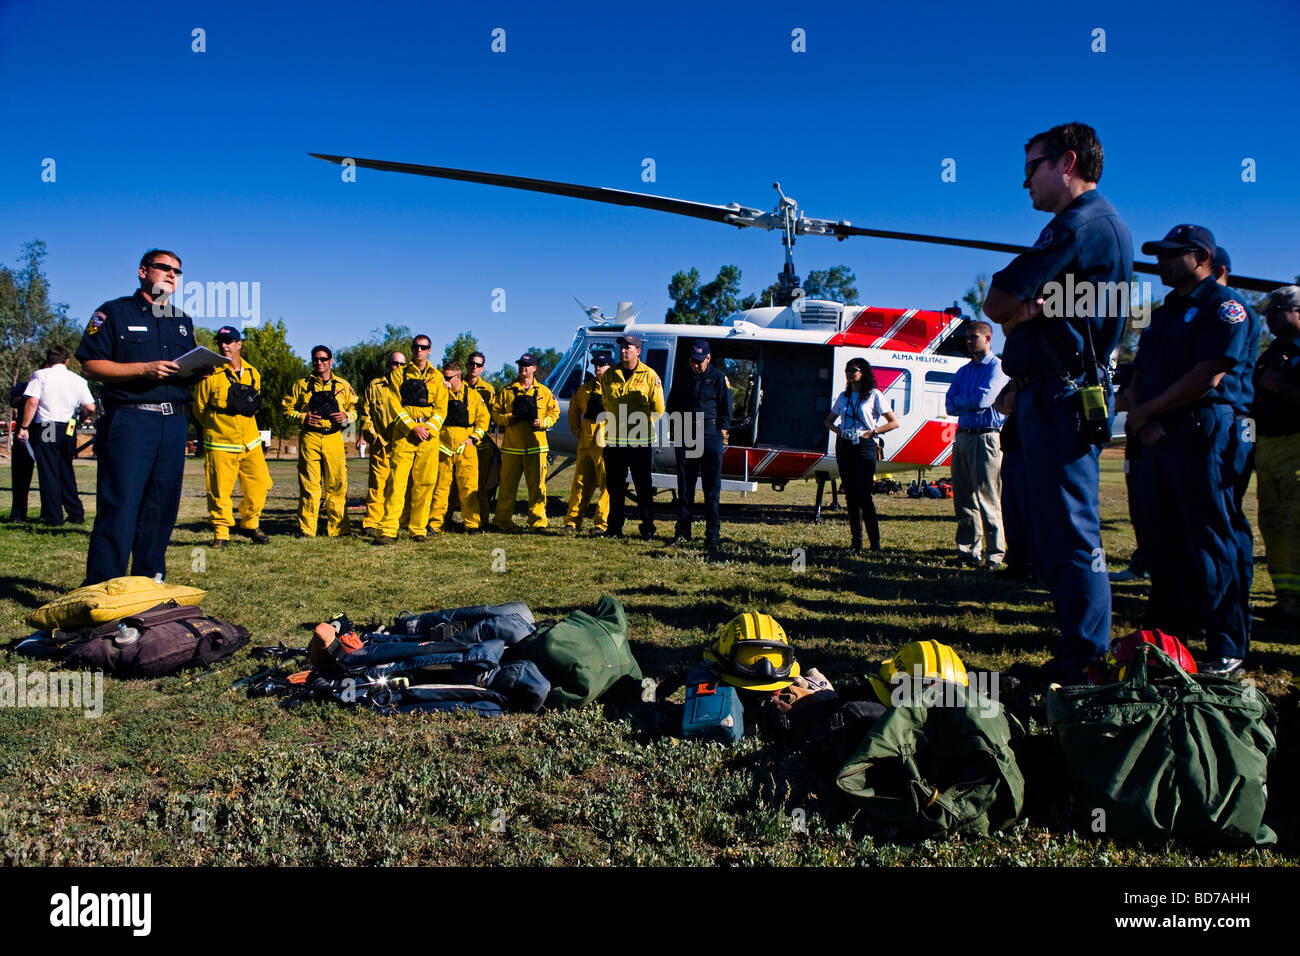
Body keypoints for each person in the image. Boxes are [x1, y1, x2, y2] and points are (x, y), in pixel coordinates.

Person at [983, 122, 1133, 683]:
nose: (1026, 183)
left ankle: (1085, 659)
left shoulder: (1078, 225)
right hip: (1053, 392)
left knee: (1070, 530)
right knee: (1056, 526)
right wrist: (1026, 309)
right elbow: (1016, 304)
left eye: (1032, 168)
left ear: (1066, 163)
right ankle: (1079, 648)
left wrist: (1019, 310)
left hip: (1059, 395)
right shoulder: (1101, 228)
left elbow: (997, 298)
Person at [1124, 224, 1259, 676]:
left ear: (1201, 256)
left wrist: (1145, 415)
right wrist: (1142, 418)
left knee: (1211, 537)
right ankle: (1167, 635)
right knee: (1160, 536)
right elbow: (1140, 371)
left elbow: (1208, 376)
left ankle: (1226, 643)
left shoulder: (1225, 308)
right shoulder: (1164, 314)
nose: (1160, 262)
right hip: (1157, 435)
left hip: (1206, 431)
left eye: (1171, 254)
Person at [76, 249, 211, 584]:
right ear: (142, 271)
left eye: (177, 271)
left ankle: (149, 583)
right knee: (121, 504)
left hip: (173, 422)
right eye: (163, 268)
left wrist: (199, 371)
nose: (171, 275)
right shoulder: (113, 313)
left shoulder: (182, 322)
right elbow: (90, 366)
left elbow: (180, 371)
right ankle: (104, 586)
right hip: (131, 420)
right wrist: (143, 369)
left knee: (161, 507)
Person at [191, 326, 272, 548]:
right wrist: (216, 427)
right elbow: (198, 409)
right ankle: (221, 532)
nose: (224, 346)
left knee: (260, 484)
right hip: (220, 441)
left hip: (250, 441)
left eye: (229, 341)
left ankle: (250, 523)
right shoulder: (209, 374)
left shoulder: (253, 373)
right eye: (221, 342)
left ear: (239, 344)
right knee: (219, 490)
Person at [1250, 286, 1300, 628]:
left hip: (1296, 444)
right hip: (1266, 446)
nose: (1270, 317)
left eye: (1278, 310)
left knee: (1297, 523)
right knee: (1272, 521)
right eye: (1268, 312)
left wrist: (1280, 388)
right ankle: (1287, 601)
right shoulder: (1273, 353)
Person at [944, 322, 1009, 568]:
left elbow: (984, 399)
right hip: (963, 436)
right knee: (963, 496)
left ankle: (995, 554)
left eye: (974, 337)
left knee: (988, 496)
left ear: (988, 338)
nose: (969, 341)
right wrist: (966, 401)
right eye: (968, 338)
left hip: (986, 437)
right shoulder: (963, 371)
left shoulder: (997, 367)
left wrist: (963, 401)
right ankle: (968, 551)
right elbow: (949, 406)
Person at [375, 335, 447, 544]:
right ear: (411, 349)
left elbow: (442, 409)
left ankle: (418, 529)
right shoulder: (399, 374)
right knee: (397, 483)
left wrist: (428, 429)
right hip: (405, 436)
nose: (419, 350)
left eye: (423, 347)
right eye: (416, 347)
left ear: (430, 350)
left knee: (425, 483)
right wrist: (412, 427)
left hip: (428, 438)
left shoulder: (437, 377)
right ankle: (389, 529)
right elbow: (393, 404)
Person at [823, 357, 898, 552]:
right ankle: (856, 541)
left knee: (864, 494)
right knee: (850, 495)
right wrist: (838, 431)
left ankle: (875, 543)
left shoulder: (874, 395)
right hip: (845, 444)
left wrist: (873, 432)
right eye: (847, 370)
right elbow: (829, 420)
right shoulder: (844, 396)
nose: (849, 373)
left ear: (862, 372)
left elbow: (893, 422)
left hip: (865, 444)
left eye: (853, 370)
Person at [282, 345, 357, 538]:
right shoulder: (301, 385)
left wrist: (346, 417)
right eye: (316, 359)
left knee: (338, 484)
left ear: (331, 361)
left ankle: (339, 529)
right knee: (309, 485)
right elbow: (286, 411)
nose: (319, 363)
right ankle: (307, 529)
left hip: (334, 438)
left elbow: (356, 411)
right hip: (310, 437)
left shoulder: (343, 385)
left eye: (323, 359)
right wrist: (301, 417)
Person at [17, 345, 96, 526]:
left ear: (48, 360)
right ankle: (76, 512)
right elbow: (90, 407)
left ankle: (53, 516)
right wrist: (80, 420)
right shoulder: (77, 379)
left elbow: (32, 401)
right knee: (65, 468)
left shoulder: (41, 376)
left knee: (48, 470)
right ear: (66, 361)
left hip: (48, 425)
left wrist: (24, 426)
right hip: (68, 426)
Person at [600, 332, 665, 539]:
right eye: (621, 347)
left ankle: (647, 528)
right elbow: (605, 403)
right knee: (615, 488)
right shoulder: (609, 375)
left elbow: (659, 408)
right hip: (614, 441)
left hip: (640, 442)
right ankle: (614, 527)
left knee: (643, 488)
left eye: (628, 347)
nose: (623, 350)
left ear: (638, 351)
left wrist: (640, 425)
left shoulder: (649, 376)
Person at [668, 339, 731, 546]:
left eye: (700, 361)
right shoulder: (682, 377)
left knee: (711, 488)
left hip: (710, 432)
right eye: (693, 361)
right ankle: (683, 532)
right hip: (687, 431)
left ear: (708, 358)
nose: (696, 365)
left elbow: (726, 410)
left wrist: (720, 433)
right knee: (685, 485)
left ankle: (712, 534)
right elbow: (672, 406)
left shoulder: (718, 378)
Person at [492, 353, 560, 530]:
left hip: (536, 448)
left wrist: (543, 423)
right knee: (506, 487)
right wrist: (507, 418)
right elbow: (495, 414)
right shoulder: (506, 391)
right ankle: (502, 521)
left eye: (527, 365)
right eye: (521, 364)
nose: (523, 367)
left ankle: (537, 522)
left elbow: (555, 413)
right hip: (512, 448)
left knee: (538, 488)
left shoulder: (544, 392)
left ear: (534, 368)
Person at [428, 360, 488, 533]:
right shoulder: (439, 395)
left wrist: (473, 439)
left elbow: (483, 422)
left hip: (466, 449)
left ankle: (472, 524)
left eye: (448, 378)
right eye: (443, 378)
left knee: (469, 488)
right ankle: (436, 524)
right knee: (440, 488)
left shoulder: (474, 397)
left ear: (458, 376)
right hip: (442, 449)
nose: (445, 382)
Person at [564, 350, 612, 533]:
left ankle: (601, 523)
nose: (597, 368)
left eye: (601, 365)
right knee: (580, 483)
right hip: (585, 443)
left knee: (606, 485)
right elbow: (573, 408)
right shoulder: (585, 389)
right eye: (596, 365)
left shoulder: (615, 387)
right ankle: (572, 520)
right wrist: (576, 429)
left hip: (605, 443)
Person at [358, 351, 405, 536]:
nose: (398, 368)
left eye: (402, 364)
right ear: (388, 365)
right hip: (380, 443)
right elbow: (365, 414)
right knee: (377, 485)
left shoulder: (409, 387)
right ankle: (372, 522)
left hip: (402, 444)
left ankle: (401, 520)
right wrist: (374, 437)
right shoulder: (374, 385)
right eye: (395, 363)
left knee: (401, 485)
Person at [466, 351, 500, 528]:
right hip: (458, 438)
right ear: (467, 365)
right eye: (472, 363)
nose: (474, 367)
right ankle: (445, 520)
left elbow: (494, 415)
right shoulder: (455, 384)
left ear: (482, 368)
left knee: (482, 485)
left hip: (481, 441)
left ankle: (483, 520)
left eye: (478, 365)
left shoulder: (487, 390)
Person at [8, 378, 37, 521]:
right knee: (20, 471)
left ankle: (51, 513)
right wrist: (32, 398)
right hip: (24, 427)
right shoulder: (25, 385)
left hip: (47, 427)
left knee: (51, 471)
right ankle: (18, 513)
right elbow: (14, 401)